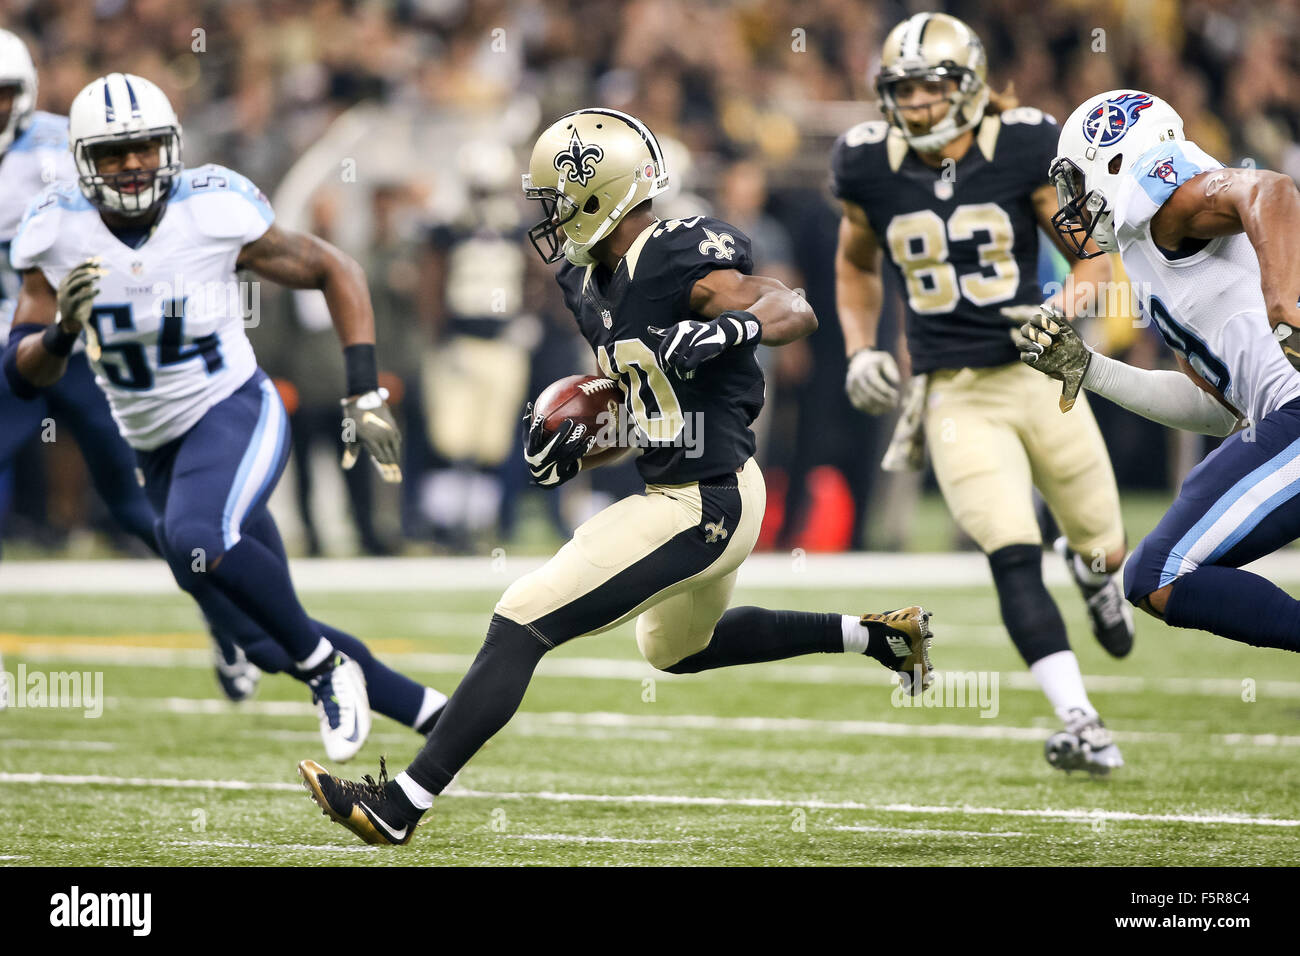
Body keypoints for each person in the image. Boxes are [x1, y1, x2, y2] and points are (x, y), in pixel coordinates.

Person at [299, 107, 936, 845]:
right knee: (674, 649)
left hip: (702, 499)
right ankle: (881, 638)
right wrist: (577, 445)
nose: (550, 216)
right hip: (704, 488)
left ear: (603, 193)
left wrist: (731, 327)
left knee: (521, 618)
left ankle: (401, 803)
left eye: (559, 199)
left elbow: (791, 307)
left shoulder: (676, 253)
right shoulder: (587, 281)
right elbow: (648, 405)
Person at [2, 72, 446, 756]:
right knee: (265, 632)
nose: (131, 165)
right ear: (82, 163)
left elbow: (336, 270)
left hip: (232, 409)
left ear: (169, 146)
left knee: (192, 534)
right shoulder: (54, 230)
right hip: (155, 446)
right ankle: (432, 714)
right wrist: (61, 331)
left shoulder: (210, 208)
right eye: (113, 154)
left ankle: (326, 671)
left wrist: (363, 390)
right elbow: (23, 374)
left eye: (145, 147)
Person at [832, 12, 1134, 775]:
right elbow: (856, 265)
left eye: (933, 86)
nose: (918, 104)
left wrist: (1058, 310)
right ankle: (1081, 718)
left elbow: (1094, 264)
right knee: (1009, 549)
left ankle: (1095, 574)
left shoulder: (1029, 145)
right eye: (903, 89)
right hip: (953, 393)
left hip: (1040, 379)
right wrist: (859, 346)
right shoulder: (867, 163)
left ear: (967, 86)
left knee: (1104, 543)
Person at [0, 31, 259, 704]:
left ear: (25, 96)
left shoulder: (69, 146)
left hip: (90, 341)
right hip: (19, 349)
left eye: (2, 97)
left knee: (134, 502)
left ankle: (224, 616)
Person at [1015, 88, 1300, 659]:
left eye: (1075, 181)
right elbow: (1219, 410)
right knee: (1153, 574)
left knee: (1159, 570)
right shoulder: (1147, 251)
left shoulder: (1159, 193)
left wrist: (1284, 304)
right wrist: (1091, 369)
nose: (1072, 202)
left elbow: (1271, 189)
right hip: (1282, 416)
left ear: (1113, 157)